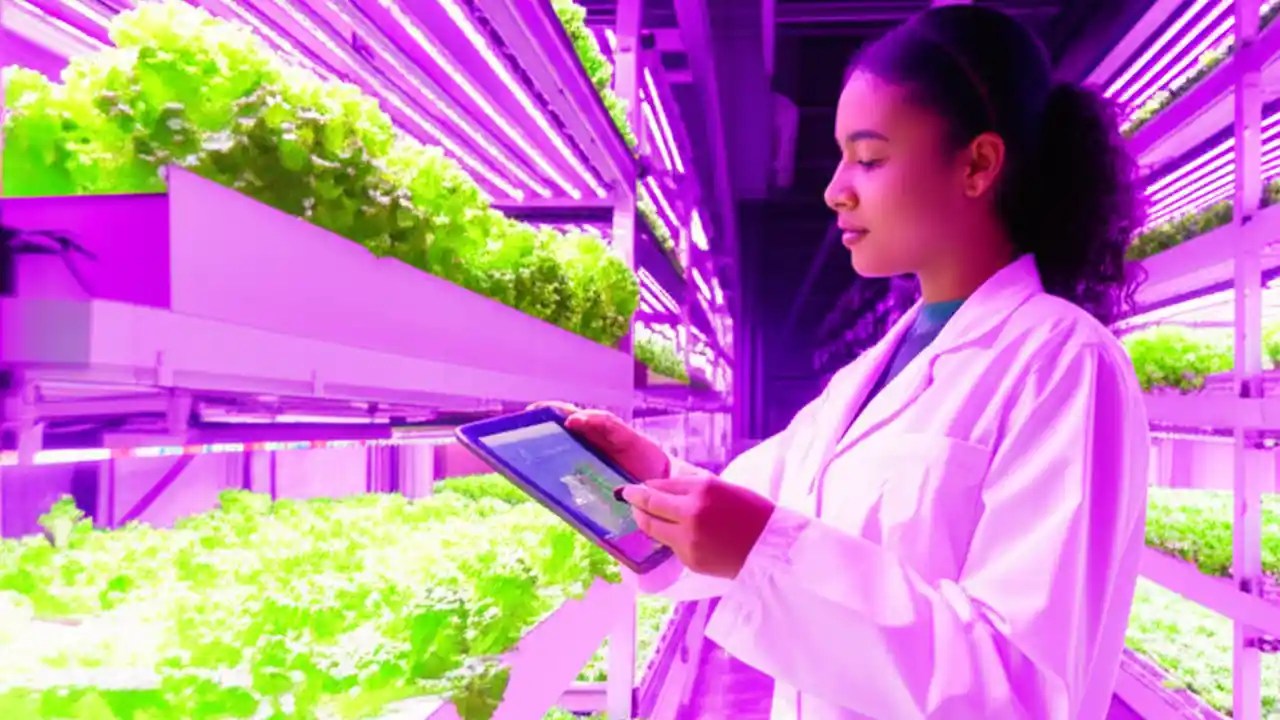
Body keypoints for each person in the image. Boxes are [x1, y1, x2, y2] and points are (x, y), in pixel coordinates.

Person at [537, 5, 1149, 719]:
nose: (835, 189)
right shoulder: (867, 377)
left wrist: (764, 551)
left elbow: (1022, 689)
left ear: (977, 164)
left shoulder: (1064, 363)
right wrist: (657, 482)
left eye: (869, 156)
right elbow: (767, 504)